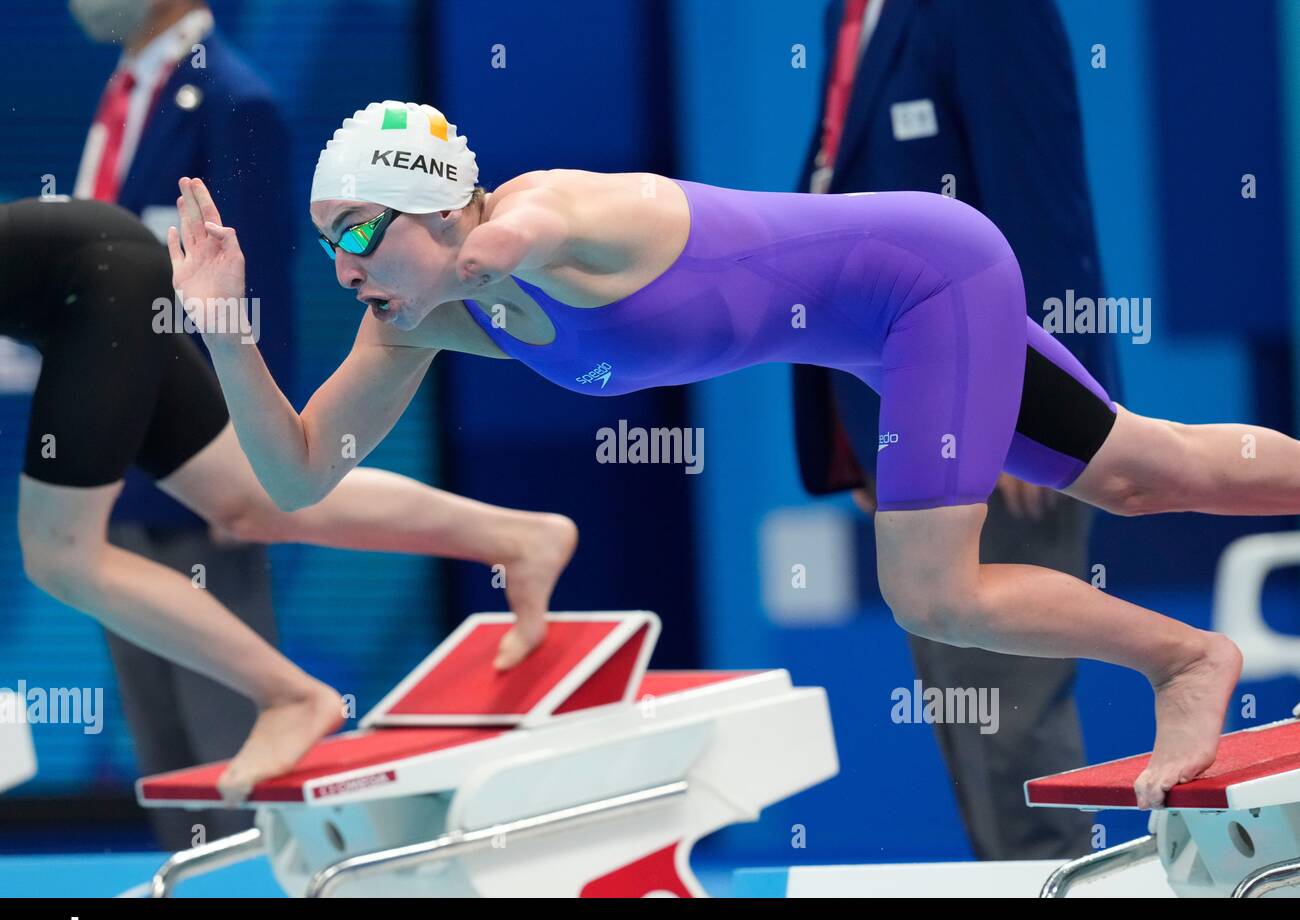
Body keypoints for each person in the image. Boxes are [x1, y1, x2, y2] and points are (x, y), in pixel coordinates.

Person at [176, 101, 1256, 810]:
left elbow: (513, 238)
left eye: (359, 231)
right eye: (325, 243)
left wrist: (473, 245)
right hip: (882, 336)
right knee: (1143, 471)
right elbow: (298, 474)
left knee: (929, 589)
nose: (341, 266)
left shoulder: (545, 212)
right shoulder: (422, 314)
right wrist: (227, 332)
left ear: (442, 206)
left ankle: (1184, 659)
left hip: (930, 276)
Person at [2, 195, 577, 802]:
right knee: (249, 496)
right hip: (98, 269)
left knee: (59, 553)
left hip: (94, 280)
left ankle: (289, 696)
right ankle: (516, 539)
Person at [789, 0, 1117, 858]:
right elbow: (840, 200)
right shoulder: (846, 13)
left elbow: (1040, 196)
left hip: (995, 407)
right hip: (899, 410)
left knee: (1010, 714)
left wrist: (1035, 406)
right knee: (964, 717)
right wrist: (851, 427)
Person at [69, 0, 298, 848]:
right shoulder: (127, 90)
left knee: (230, 737)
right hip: (114, 462)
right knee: (164, 752)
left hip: (203, 475)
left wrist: (251, 466)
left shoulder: (238, 101)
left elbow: (256, 303)